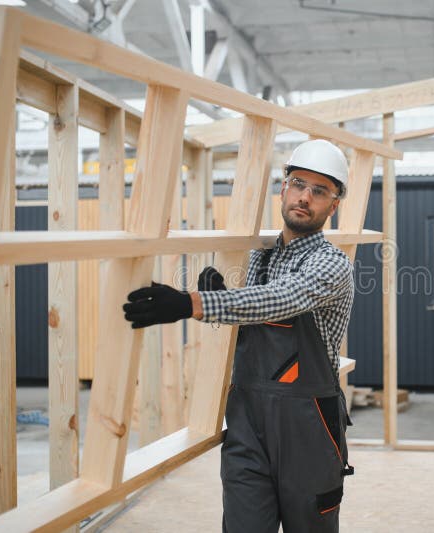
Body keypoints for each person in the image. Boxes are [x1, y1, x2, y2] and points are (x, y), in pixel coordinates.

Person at [122, 139, 355, 533]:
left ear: (333, 206)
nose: (305, 197)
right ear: (284, 189)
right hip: (247, 424)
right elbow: (252, 310)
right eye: (299, 184)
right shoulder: (259, 256)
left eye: (319, 191)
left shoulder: (332, 265)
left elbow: (281, 299)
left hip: (308, 428)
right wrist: (222, 298)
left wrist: (191, 303)